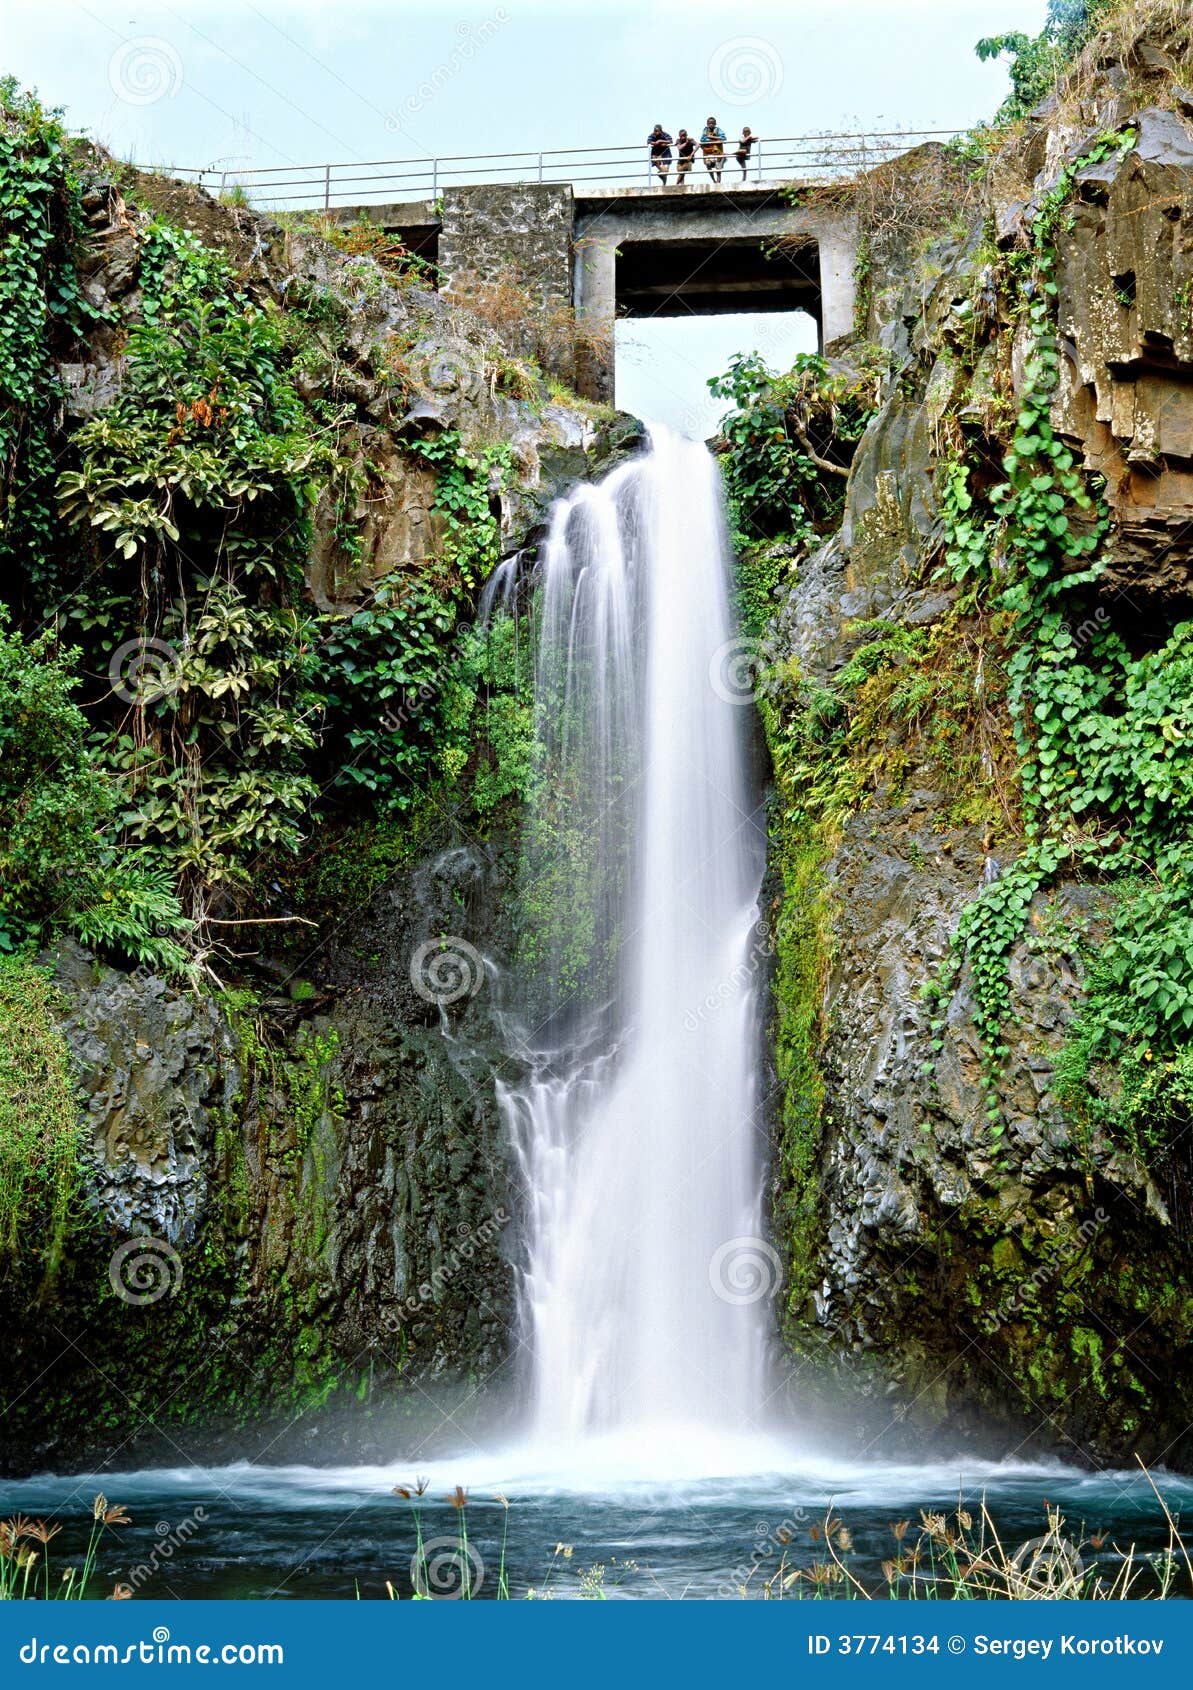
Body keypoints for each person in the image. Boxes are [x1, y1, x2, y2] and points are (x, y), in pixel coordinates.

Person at [700, 116, 726, 183]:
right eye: (709, 123)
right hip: (709, 152)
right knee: (708, 164)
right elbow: (702, 139)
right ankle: (713, 180)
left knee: (718, 168)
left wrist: (712, 137)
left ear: (715, 124)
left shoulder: (718, 130)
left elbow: (723, 138)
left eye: (712, 123)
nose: (711, 124)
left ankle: (718, 182)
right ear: (707, 124)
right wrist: (714, 139)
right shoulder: (705, 130)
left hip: (718, 152)